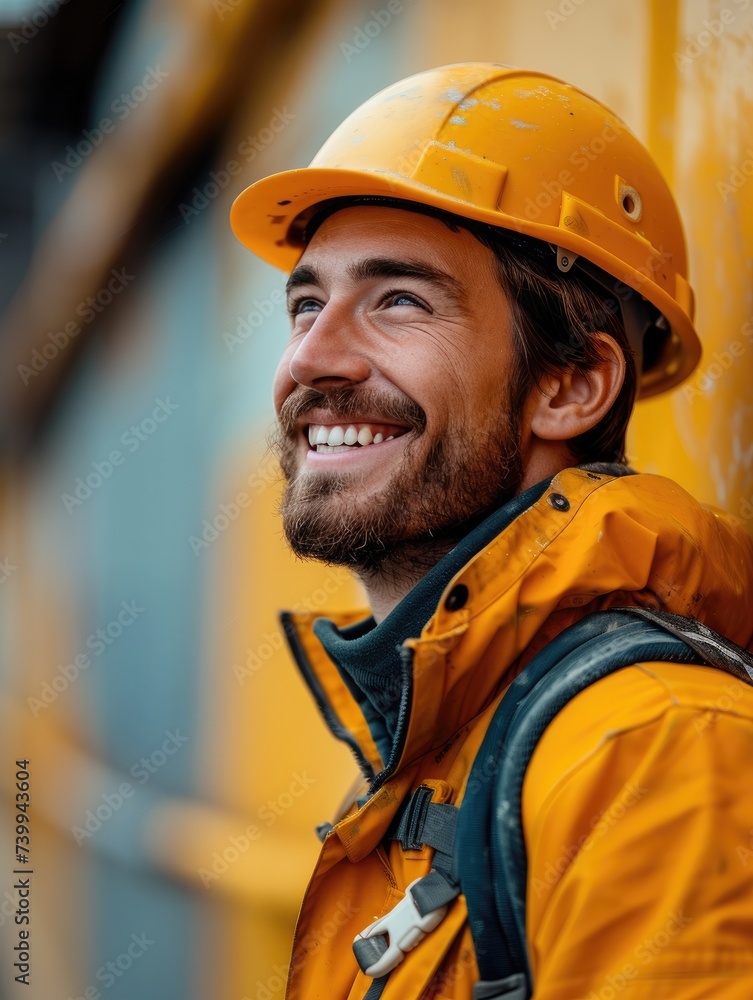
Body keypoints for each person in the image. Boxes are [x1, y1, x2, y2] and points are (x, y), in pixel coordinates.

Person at [230, 65, 753, 999]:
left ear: (569, 387)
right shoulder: (445, 731)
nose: (308, 358)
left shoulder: (655, 754)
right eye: (306, 304)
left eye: (398, 300)